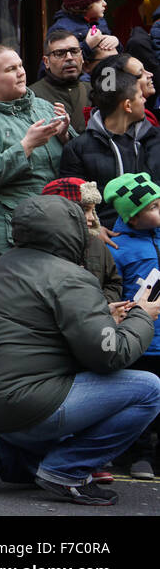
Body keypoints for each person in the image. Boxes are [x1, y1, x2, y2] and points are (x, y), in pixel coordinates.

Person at [0, 196, 160, 506]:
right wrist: (143, 316)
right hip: (33, 404)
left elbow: (39, 324)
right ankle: (66, 471)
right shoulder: (70, 277)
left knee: (57, 432)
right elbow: (110, 354)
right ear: (70, 232)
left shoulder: (5, 264)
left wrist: (103, 314)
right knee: (150, 389)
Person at [0, 45, 70, 255]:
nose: (21, 72)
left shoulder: (43, 106)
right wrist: (26, 145)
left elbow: (76, 160)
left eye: (20, 65)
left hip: (60, 220)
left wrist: (65, 136)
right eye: (11, 69)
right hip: (17, 229)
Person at [101, 173, 160, 477]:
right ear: (134, 218)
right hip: (140, 337)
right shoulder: (117, 247)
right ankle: (138, 455)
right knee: (140, 400)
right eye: (154, 207)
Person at [60, 65, 160, 232]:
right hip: (107, 238)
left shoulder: (154, 138)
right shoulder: (78, 148)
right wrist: (94, 230)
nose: (144, 101)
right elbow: (73, 201)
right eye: (140, 96)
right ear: (128, 105)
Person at [41, 177, 121, 302]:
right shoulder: (40, 248)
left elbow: (113, 283)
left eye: (92, 210)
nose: (92, 218)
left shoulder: (97, 245)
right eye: (84, 210)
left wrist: (103, 306)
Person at [47, 0, 117, 69]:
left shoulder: (101, 21)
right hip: (81, 81)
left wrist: (115, 41)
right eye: (98, 0)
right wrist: (87, 45)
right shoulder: (61, 29)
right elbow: (59, 64)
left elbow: (114, 54)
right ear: (83, 5)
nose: (105, 3)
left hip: (107, 75)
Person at [30, 28, 90, 134]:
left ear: (82, 56)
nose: (69, 58)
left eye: (74, 51)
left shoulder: (93, 90)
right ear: (46, 62)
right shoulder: (33, 96)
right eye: (59, 53)